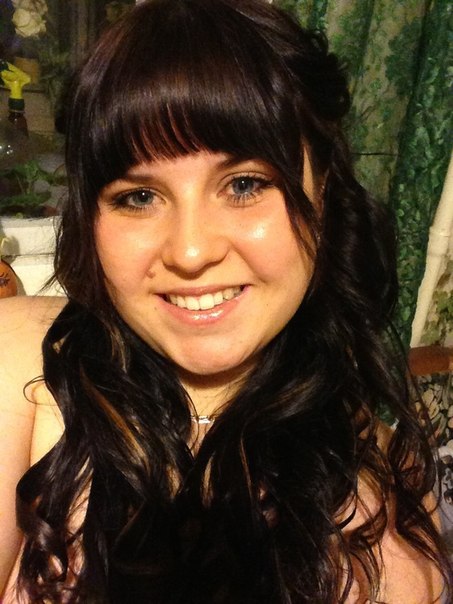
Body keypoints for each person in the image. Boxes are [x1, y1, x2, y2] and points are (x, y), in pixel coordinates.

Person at [0, 0, 451, 601]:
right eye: (138, 197)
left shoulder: (389, 491)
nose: (190, 252)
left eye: (244, 184)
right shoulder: (19, 365)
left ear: (323, 192)